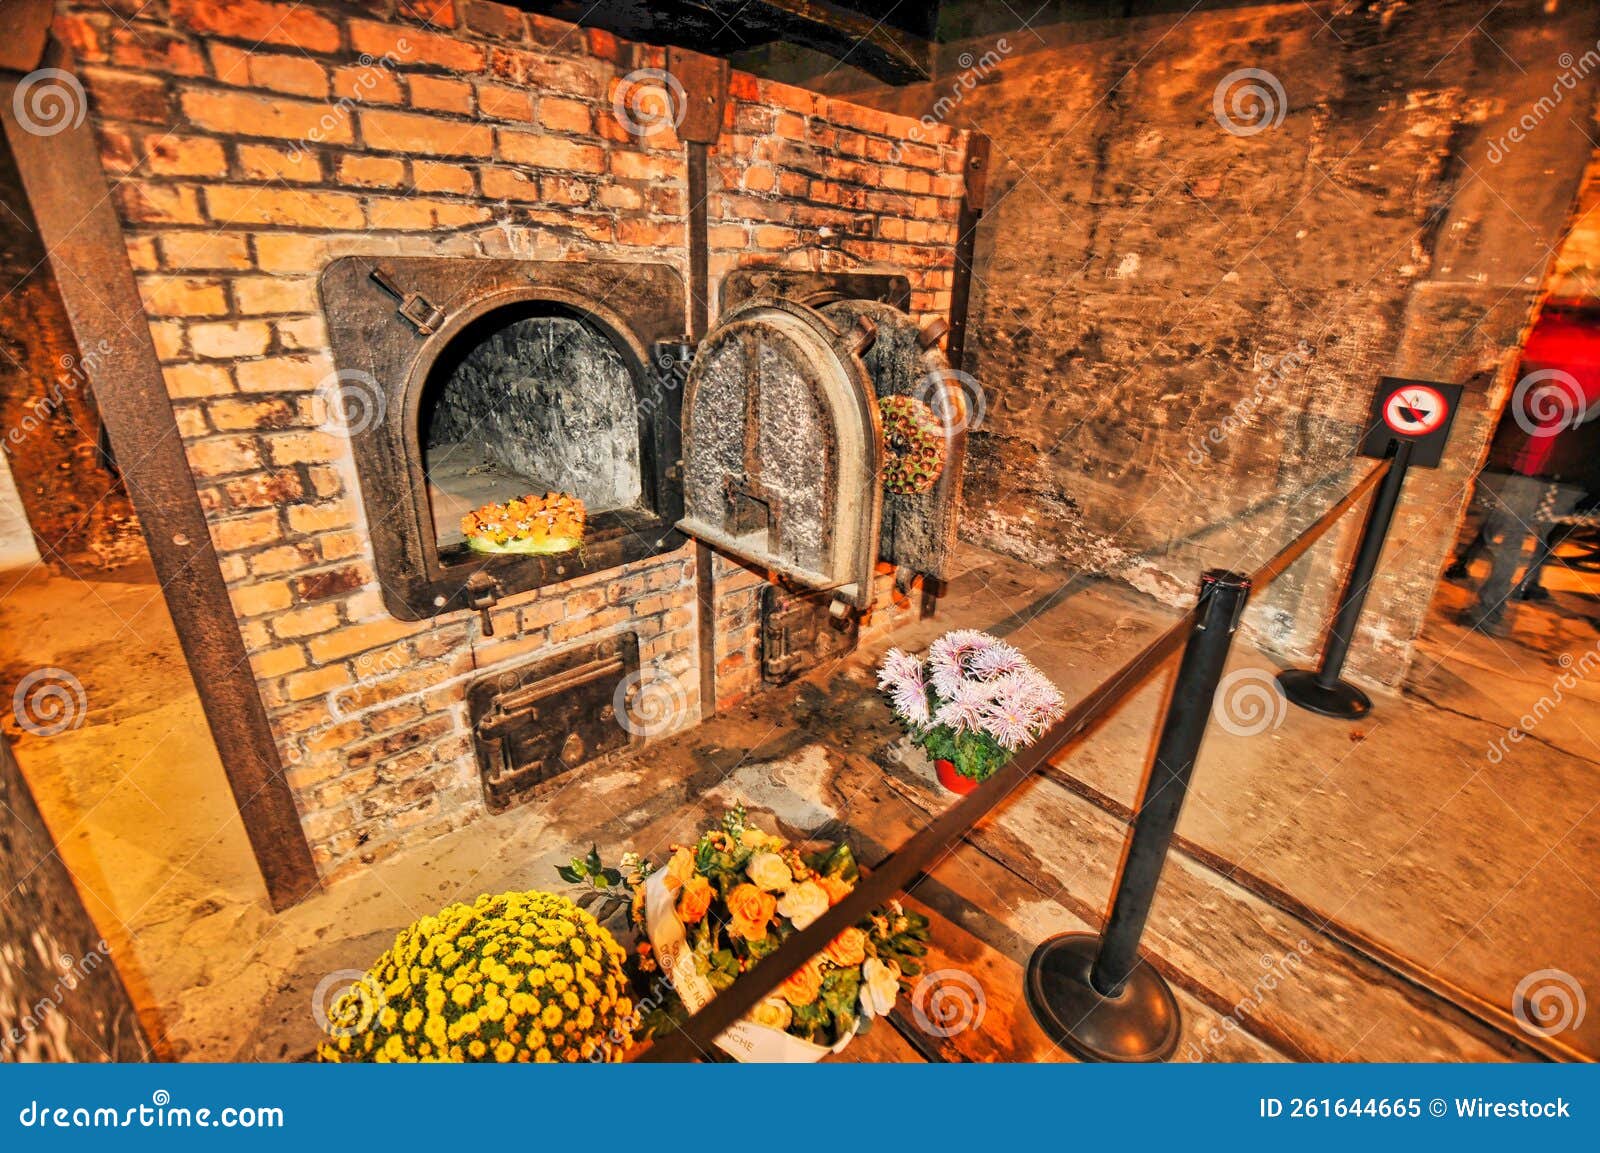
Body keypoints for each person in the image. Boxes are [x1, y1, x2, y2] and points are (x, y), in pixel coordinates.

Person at [1460, 308, 1600, 633]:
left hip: (1533, 467)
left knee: (1511, 537)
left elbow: (1531, 405)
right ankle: (1522, 587)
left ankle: (1490, 614)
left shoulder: (1558, 351)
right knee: (1538, 536)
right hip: (1566, 473)